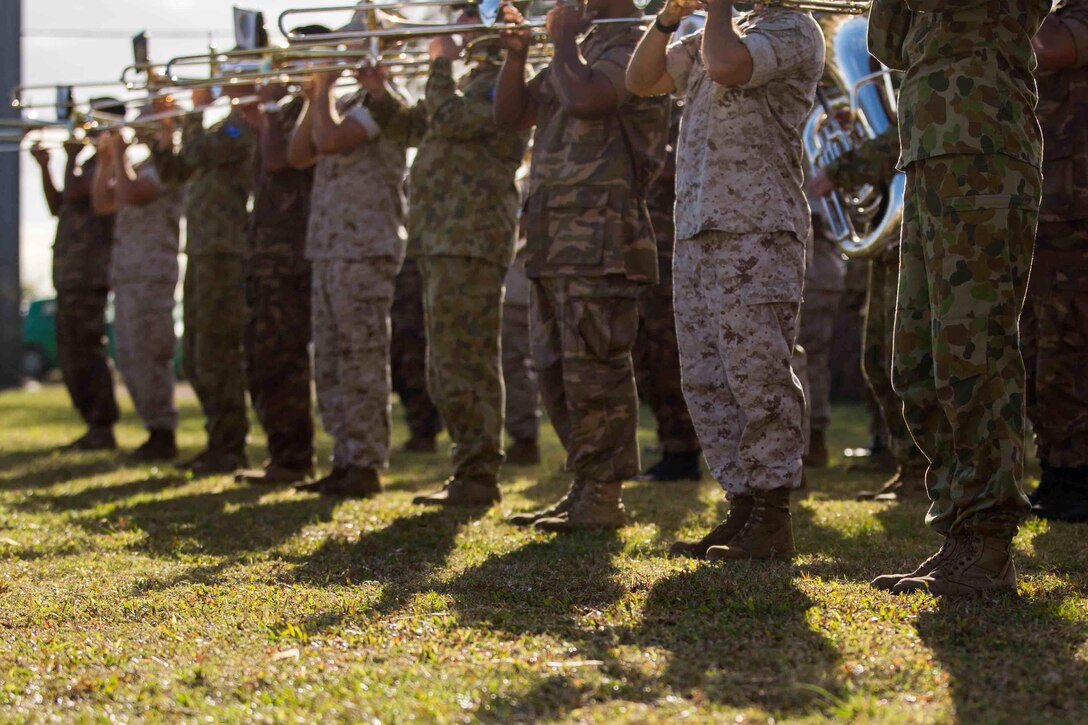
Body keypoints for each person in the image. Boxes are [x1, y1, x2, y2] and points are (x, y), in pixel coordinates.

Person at [865, 0, 1050, 595]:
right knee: (917, 363)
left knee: (974, 353)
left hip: (985, 148)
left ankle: (989, 542)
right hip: (927, 156)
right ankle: (962, 535)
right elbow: (887, 44)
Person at [627, 0, 823, 558]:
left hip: (757, 228)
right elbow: (641, 81)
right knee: (707, 377)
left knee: (759, 371)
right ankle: (742, 506)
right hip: (697, 228)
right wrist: (667, 17)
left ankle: (772, 512)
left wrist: (714, 9)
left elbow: (726, 66)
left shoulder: (793, 29)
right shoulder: (723, 30)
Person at [496, 0, 670, 531]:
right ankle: (585, 484)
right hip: (552, 234)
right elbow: (508, 116)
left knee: (594, 368)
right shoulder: (581, 46)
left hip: (602, 235)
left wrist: (564, 41)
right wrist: (519, 54)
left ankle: (603, 495)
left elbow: (587, 99)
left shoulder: (631, 45)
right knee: (555, 370)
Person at [368, 10, 531, 507]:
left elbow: (451, 119)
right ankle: (468, 466)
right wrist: (378, 90)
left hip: (471, 238)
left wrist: (438, 65)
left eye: (466, 16)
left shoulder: (502, 82)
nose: (457, 26)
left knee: (467, 359)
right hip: (442, 239)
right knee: (446, 361)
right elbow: (410, 126)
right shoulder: (462, 84)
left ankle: (479, 472)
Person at [287, 65, 407, 498]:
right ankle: (344, 457)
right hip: (327, 246)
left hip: (364, 246)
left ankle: (366, 461)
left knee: (362, 357)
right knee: (331, 360)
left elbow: (332, 141)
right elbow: (299, 153)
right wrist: (313, 95)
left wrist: (323, 90)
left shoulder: (387, 101)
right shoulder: (340, 105)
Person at [811, 127, 929, 500]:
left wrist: (839, 170)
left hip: (919, 230)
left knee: (905, 361)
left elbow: (903, 135)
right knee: (878, 359)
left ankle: (926, 472)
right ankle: (910, 468)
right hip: (888, 235)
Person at [154, 86, 257, 476]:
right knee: (196, 355)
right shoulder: (216, 131)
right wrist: (166, 131)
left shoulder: (238, 129)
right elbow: (174, 172)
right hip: (200, 251)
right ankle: (218, 439)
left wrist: (194, 112)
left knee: (217, 350)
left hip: (226, 252)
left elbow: (197, 152)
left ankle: (231, 445)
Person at [235, 76, 320, 486]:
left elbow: (278, 162)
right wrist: (260, 121)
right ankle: (281, 452)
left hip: (290, 254)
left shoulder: (302, 107)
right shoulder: (282, 113)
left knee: (282, 354)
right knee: (261, 355)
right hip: (267, 253)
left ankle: (294, 457)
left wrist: (269, 110)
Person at [29, 98, 127, 451]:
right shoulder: (86, 163)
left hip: (90, 271)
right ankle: (91, 423)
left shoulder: (110, 162)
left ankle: (102, 424)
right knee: (70, 350)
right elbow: (59, 204)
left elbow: (74, 192)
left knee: (86, 348)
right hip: (70, 271)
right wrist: (44, 166)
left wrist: (69, 156)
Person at [1024, 0, 1088, 522]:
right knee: (1037, 348)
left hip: (1078, 213)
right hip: (1044, 206)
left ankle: (1076, 476)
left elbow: (1048, 47)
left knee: (1067, 344)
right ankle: (1056, 470)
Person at [90, 114, 182, 461]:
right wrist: (105, 161)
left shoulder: (168, 166)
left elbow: (129, 194)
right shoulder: (141, 165)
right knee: (128, 355)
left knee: (150, 352)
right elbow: (103, 202)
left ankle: (163, 431)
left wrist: (118, 154)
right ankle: (153, 428)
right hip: (129, 272)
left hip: (152, 271)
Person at [634, 101, 703, 483]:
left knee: (668, 354)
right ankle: (670, 443)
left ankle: (684, 452)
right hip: (639, 246)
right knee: (645, 358)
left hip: (671, 249)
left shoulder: (685, 110)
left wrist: (644, 153)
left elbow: (692, 166)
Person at [797, 217, 845, 469]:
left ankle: (811, 443)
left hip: (816, 269)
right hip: (819, 268)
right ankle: (809, 443)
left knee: (806, 359)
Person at [391, 258, 444, 454]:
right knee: (401, 356)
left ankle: (424, 433)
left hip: (416, 274)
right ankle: (420, 432)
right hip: (399, 270)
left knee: (414, 358)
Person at [503, 244, 543, 466]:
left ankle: (525, 440)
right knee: (516, 367)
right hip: (517, 287)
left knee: (515, 367)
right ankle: (523, 439)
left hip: (520, 289)